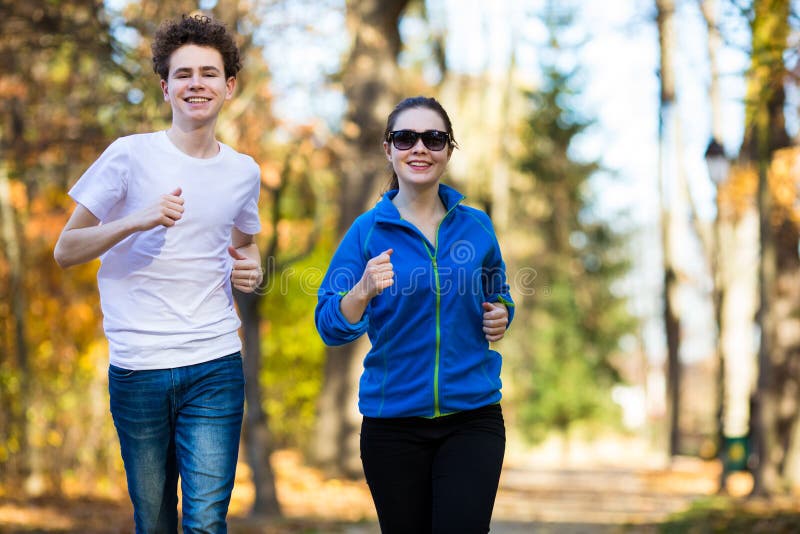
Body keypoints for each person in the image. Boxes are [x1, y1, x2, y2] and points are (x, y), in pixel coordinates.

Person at [53, 14, 262, 533]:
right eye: (184, 73)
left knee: (207, 522)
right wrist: (138, 218)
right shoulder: (129, 155)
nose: (197, 84)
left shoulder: (244, 172)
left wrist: (253, 269)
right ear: (165, 86)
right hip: (139, 366)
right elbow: (65, 249)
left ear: (229, 86)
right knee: (154, 522)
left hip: (215, 361)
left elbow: (245, 248)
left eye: (209, 74)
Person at [315, 96, 514, 533]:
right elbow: (329, 323)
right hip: (393, 425)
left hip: (473, 417)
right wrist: (362, 290)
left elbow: (498, 293)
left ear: (448, 150)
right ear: (388, 149)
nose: (419, 148)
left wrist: (501, 312)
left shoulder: (476, 225)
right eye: (405, 137)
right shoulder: (367, 232)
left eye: (434, 138)